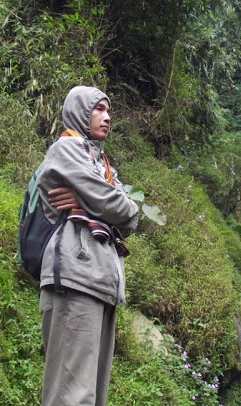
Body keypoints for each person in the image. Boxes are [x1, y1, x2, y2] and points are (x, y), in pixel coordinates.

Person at [36, 86, 139, 406]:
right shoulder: (66, 149)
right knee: (71, 395)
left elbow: (130, 216)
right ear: (79, 111)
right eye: (98, 109)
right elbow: (114, 203)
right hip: (74, 277)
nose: (107, 117)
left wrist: (84, 199)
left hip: (100, 281)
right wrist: (104, 203)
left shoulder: (102, 163)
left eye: (109, 111)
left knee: (92, 396)